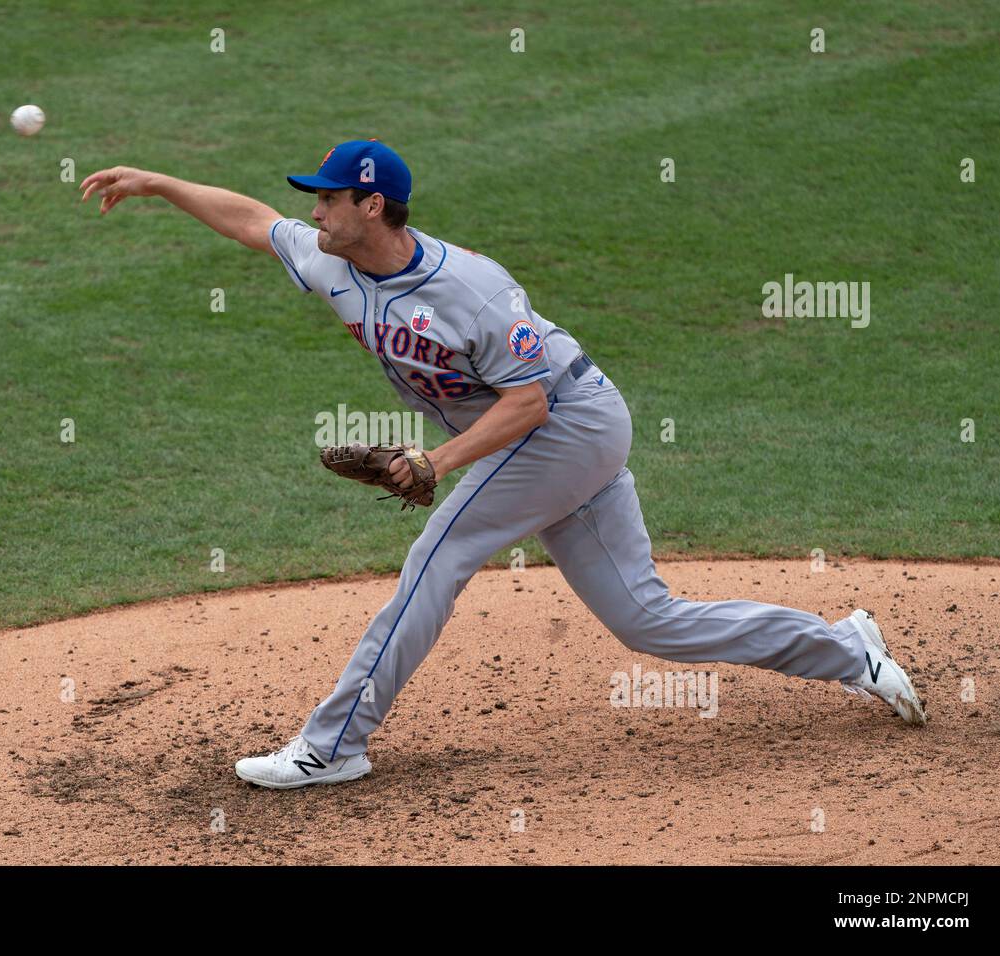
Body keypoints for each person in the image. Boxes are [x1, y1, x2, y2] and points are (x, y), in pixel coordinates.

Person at [80, 140, 927, 790]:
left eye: (330, 198)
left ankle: (332, 747)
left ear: (372, 205)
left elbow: (529, 403)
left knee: (436, 557)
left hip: (570, 426)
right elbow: (253, 221)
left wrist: (433, 460)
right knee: (647, 619)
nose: (317, 211)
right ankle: (848, 650)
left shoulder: (473, 290)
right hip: (529, 440)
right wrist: (157, 184)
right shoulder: (333, 260)